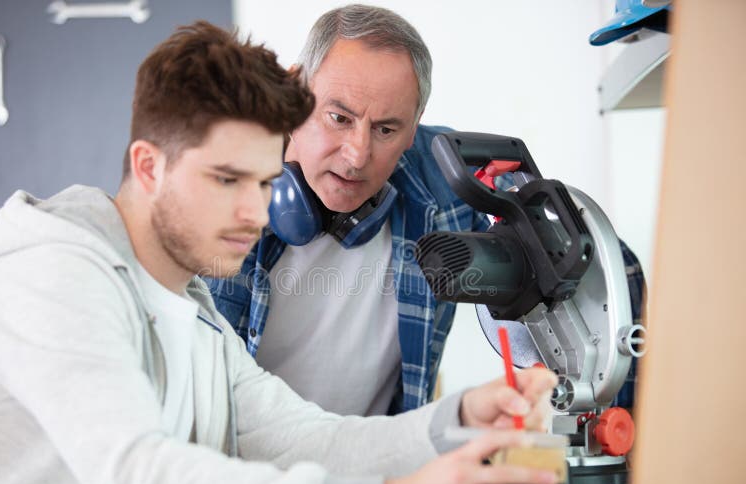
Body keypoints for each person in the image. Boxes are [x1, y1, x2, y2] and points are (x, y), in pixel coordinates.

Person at [0, 21, 561, 484]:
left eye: (265, 183)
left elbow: (304, 438)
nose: (255, 211)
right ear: (149, 166)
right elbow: (143, 476)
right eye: (226, 180)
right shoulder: (54, 274)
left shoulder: (191, 309)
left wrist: (454, 420)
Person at [208, 4, 646, 416]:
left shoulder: (438, 177)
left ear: (412, 128)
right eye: (339, 118)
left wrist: (610, 420)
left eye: (386, 128)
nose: (358, 154)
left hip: (380, 475)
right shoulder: (217, 196)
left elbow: (606, 263)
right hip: (245, 481)